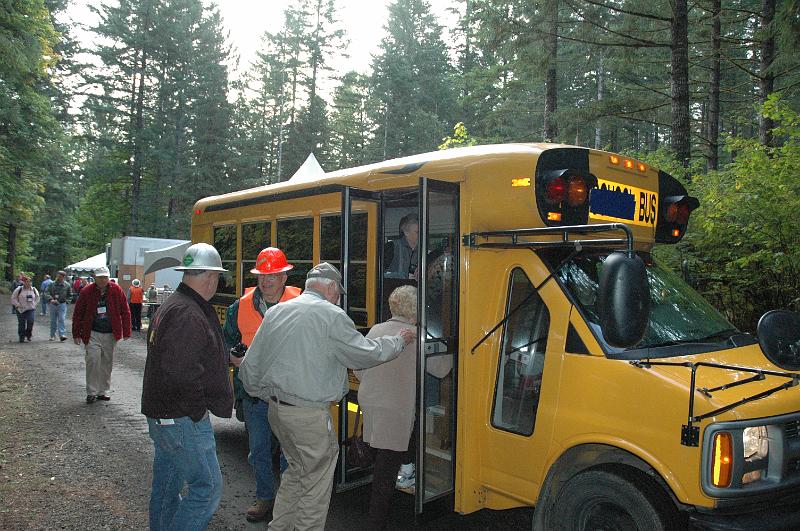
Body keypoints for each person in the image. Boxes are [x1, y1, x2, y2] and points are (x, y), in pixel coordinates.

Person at [240, 262, 415, 531]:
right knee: (315, 485)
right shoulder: (331, 315)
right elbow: (365, 353)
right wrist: (398, 341)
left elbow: (250, 366)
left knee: (295, 475)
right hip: (308, 415)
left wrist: (264, 395)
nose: (339, 299)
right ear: (331, 287)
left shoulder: (277, 312)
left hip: (277, 411)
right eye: (338, 293)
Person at [141, 243, 233, 531]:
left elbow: (182, 356)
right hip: (181, 418)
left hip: (165, 415)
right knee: (206, 488)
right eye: (217, 278)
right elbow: (181, 373)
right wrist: (198, 412)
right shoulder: (188, 312)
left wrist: (224, 355)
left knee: (167, 487)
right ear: (210, 277)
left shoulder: (175, 305)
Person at [355, 286, 452, 529]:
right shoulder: (417, 335)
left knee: (382, 460)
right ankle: (375, 524)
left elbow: (358, 366)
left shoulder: (377, 329)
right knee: (384, 475)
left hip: (372, 403)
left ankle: (404, 473)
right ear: (416, 310)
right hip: (394, 410)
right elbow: (442, 369)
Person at [223, 247, 300, 522]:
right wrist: (230, 355)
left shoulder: (300, 303)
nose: (267, 281)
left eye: (274, 275)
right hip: (254, 394)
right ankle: (265, 497)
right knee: (259, 450)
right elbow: (225, 340)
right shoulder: (239, 307)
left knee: (290, 453)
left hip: (290, 393)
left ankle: (287, 502)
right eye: (262, 275)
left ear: (284, 276)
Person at [72, 266, 132, 404]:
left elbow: (125, 311)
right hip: (92, 332)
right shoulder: (87, 291)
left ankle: (103, 390)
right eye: (100, 277)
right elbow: (78, 313)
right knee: (93, 360)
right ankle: (91, 391)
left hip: (110, 333)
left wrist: (127, 330)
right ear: (95, 278)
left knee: (106, 362)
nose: (103, 280)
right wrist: (76, 333)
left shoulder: (116, 290)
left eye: (105, 277)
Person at [384, 213, 419, 280]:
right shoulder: (391, 247)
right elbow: (376, 274)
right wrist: (404, 276)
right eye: (417, 232)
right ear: (406, 232)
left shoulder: (425, 252)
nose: (421, 235)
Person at [11, 276, 39, 343]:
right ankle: (21, 337)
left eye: (30, 282)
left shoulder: (34, 289)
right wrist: (17, 305)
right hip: (21, 309)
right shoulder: (19, 289)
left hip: (30, 309)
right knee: (21, 323)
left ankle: (28, 334)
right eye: (26, 282)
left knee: (30, 322)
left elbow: (37, 298)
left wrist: (34, 304)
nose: (28, 283)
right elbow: (13, 298)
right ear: (24, 282)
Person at [46, 271, 72, 341]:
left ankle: (62, 335)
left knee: (61, 319)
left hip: (62, 304)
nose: (58, 278)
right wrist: (51, 299)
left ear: (64, 277)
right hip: (53, 304)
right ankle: (52, 335)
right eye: (58, 276)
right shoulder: (52, 284)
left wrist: (66, 302)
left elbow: (70, 295)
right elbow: (47, 292)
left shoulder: (67, 285)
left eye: (60, 276)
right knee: (53, 320)